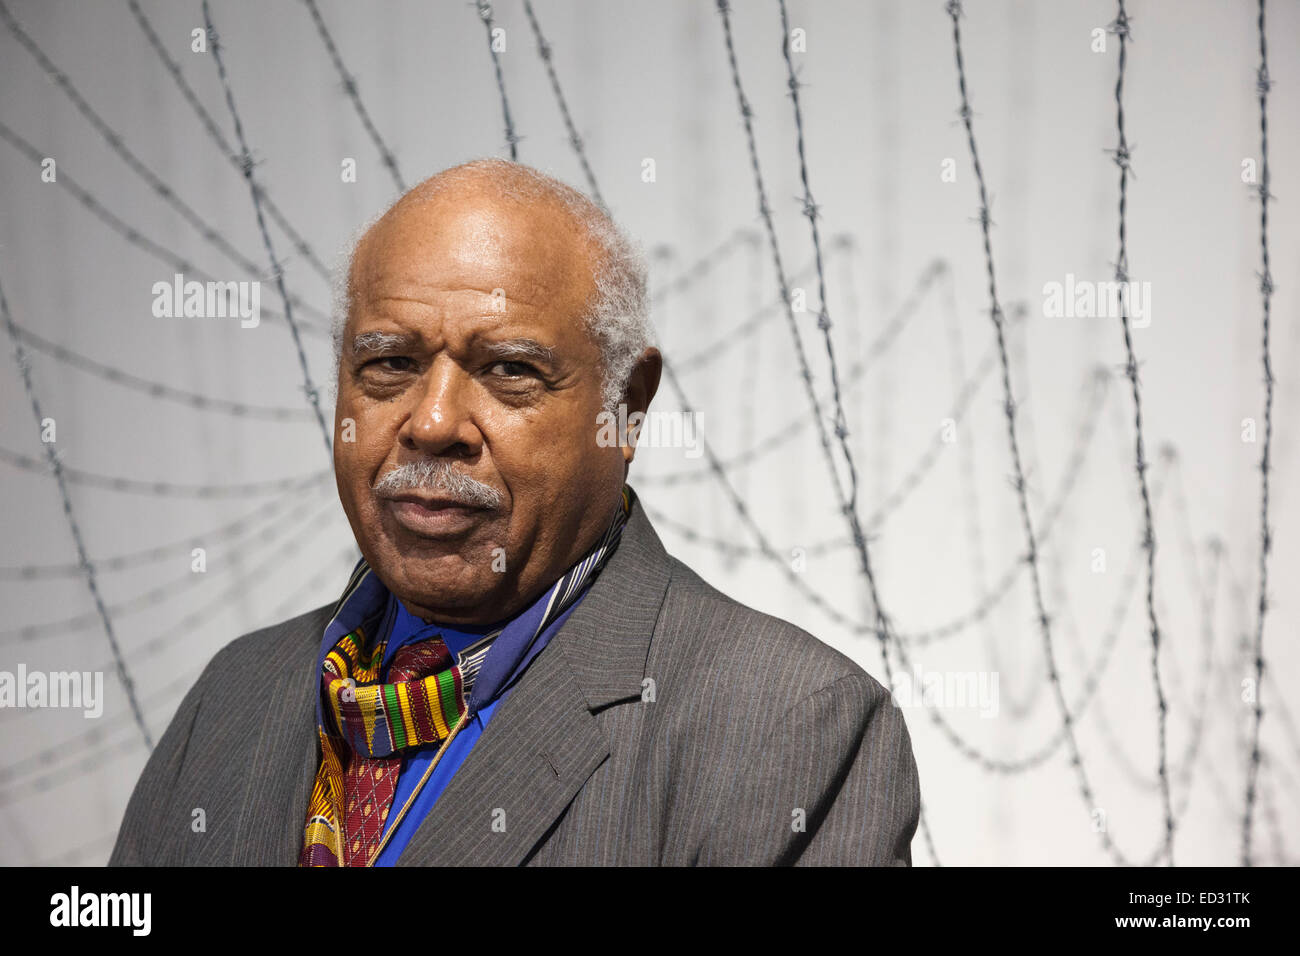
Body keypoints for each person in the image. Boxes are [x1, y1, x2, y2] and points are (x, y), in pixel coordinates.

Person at [108, 158, 920, 866]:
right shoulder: (236, 694)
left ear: (626, 409)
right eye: (390, 363)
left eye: (509, 371)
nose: (432, 424)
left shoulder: (789, 727)